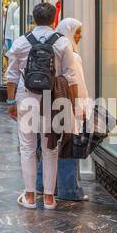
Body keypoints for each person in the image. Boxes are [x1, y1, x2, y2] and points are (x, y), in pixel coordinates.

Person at [5, 1, 73, 210]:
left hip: (26, 96)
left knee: (27, 146)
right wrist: (73, 106)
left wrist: (10, 101)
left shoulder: (21, 42)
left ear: (33, 19)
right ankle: (50, 198)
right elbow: (70, 77)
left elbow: (12, 74)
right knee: (50, 147)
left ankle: (30, 196)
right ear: (54, 19)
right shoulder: (62, 43)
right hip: (53, 99)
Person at [36, 18, 89, 201]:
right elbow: (78, 84)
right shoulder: (73, 56)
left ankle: (44, 185)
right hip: (67, 101)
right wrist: (82, 106)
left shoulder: (53, 48)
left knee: (50, 143)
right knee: (68, 144)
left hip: (50, 101)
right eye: (77, 32)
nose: (80, 36)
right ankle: (69, 189)